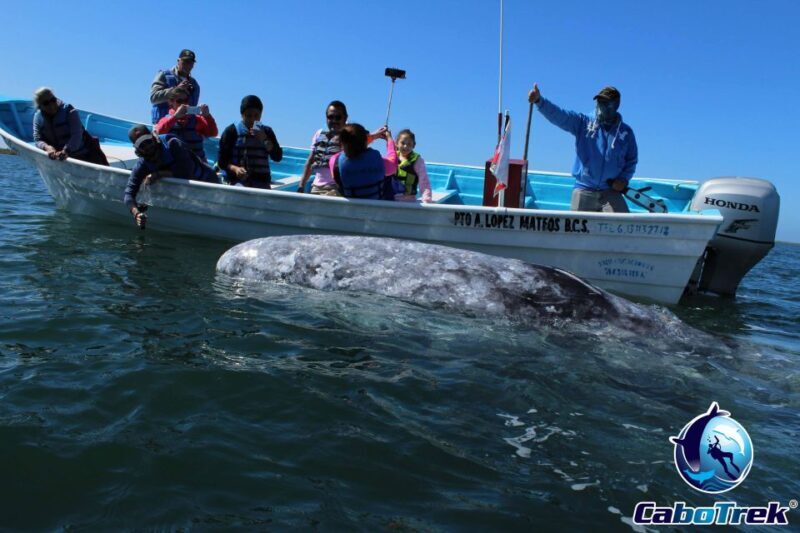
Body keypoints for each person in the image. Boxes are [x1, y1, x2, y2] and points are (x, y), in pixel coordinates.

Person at [527, 84, 638, 213]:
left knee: (623, 224)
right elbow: (560, 116)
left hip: (611, 191)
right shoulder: (583, 122)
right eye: (600, 101)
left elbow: (631, 160)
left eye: (606, 102)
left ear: (615, 105)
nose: (601, 105)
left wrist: (623, 179)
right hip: (584, 188)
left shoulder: (626, 133)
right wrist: (539, 101)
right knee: (575, 225)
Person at [124, 125, 219, 228]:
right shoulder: (142, 164)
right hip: (188, 197)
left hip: (209, 181)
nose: (147, 147)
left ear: (154, 138)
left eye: (148, 141)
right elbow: (129, 194)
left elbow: (187, 172)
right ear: (138, 149)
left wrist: (158, 175)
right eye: (142, 145)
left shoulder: (172, 143)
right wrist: (136, 213)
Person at [217, 95, 282, 189]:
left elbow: (277, 156)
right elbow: (221, 162)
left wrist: (264, 139)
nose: (252, 119)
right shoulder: (231, 131)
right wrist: (235, 169)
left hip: (262, 184)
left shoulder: (267, 132)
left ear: (261, 114)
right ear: (242, 115)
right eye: (248, 116)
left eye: (256, 115)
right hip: (237, 183)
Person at [32, 87, 109, 166]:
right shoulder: (38, 117)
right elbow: (37, 139)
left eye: (53, 100)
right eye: (46, 103)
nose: (51, 105)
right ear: (40, 106)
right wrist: (47, 147)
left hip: (83, 155)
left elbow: (77, 135)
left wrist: (66, 150)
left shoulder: (69, 111)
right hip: (58, 156)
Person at [330, 124, 397, 199]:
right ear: (365, 141)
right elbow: (393, 166)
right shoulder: (375, 159)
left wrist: (371, 137)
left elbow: (353, 147)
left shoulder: (334, 161)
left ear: (342, 142)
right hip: (374, 205)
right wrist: (389, 140)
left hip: (349, 205)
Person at [154, 86, 218, 162]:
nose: (183, 104)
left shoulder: (197, 120)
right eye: (179, 101)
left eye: (186, 100)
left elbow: (213, 133)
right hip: (175, 165)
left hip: (197, 164)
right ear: (171, 103)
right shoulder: (165, 120)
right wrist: (175, 117)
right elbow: (159, 132)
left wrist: (207, 116)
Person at [150, 49, 200, 124]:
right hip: (164, 125)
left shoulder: (194, 84)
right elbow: (153, 98)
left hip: (185, 127)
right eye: (185, 61)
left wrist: (201, 111)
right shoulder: (164, 75)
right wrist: (175, 90)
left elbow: (192, 109)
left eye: (191, 62)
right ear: (178, 61)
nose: (188, 65)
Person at [390, 129, 432, 203]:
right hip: (390, 198)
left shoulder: (417, 161)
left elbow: (424, 181)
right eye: (403, 143)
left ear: (413, 145)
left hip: (408, 200)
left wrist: (426, 199)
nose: (405, 146)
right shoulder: (392, 156)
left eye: (409, 144)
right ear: (396, 143)